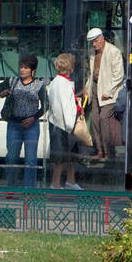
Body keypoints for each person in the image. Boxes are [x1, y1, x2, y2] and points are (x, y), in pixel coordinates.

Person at [0, 55, 47, 188]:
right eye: (21, 67)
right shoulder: (12, 81)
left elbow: (46, 105)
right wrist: (2, 92)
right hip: (14, 124)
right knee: (12, 156)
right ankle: (11, 186)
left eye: (26, 68)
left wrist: (34, 117)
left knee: (30, 159)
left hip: (31, 125)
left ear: (32, 70)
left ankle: (29, 189)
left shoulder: (39, 85)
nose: (22, 70)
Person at [83, 28, 125, 161]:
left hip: (108, 90)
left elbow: (119, 75)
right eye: (92, 43)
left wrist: (109, 91)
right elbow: (91, 73)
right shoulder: (92, 52)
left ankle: (108, 152)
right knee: (95, 119)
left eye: (95, 41)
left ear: (102, 38)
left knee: (103, 119)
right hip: (96, 87)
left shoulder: (114, 51)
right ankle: (99, 150)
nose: (94, 45)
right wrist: (86, 88)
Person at [47, 52, 81, 191]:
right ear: (70, 68)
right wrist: (71, 125)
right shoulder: (63, 84)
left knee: (68, 156)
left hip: (59, 123)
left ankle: (69, 181)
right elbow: (66, 106)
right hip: (63, 125)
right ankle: (56, 184)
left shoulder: (57, 81)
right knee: (60, 157)